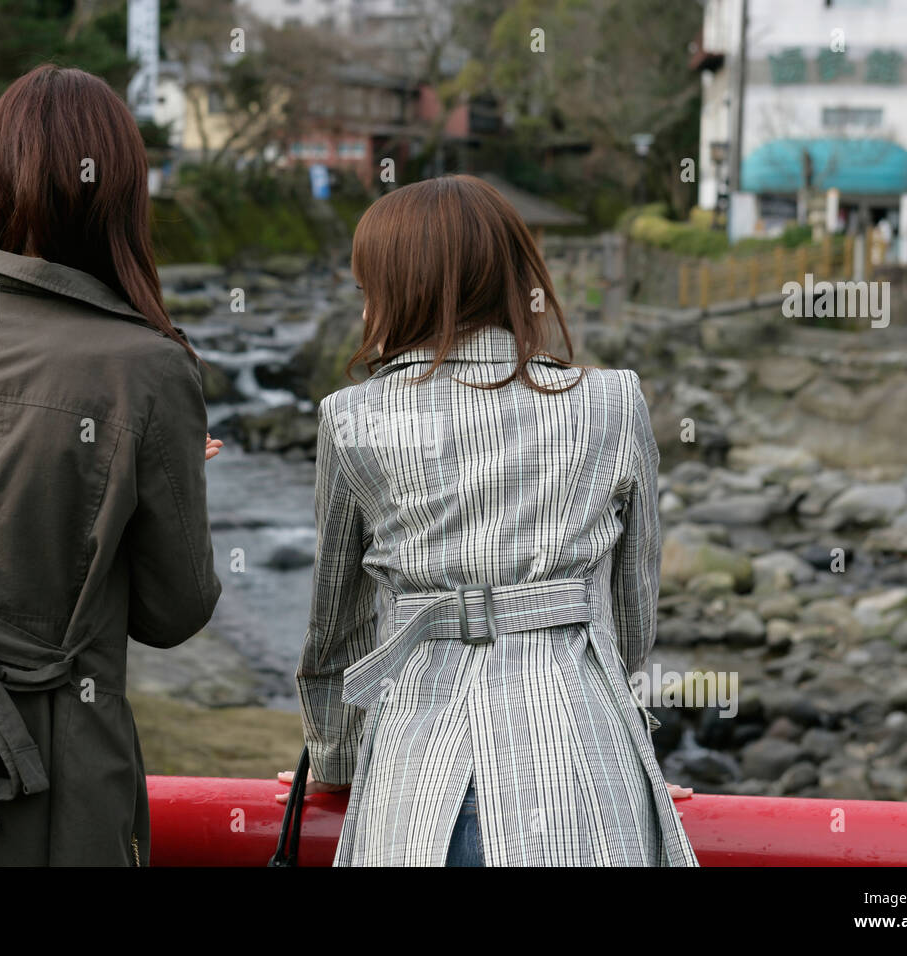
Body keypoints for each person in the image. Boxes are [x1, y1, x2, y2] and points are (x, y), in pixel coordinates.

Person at [277, 174, 697, 866]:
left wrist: (334, 758)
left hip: (416, 768)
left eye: (365, 291)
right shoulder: (614, 401)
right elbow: (631, 611)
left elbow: (337, 625)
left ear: (398, 292)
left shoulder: (351, 419)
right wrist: (633, 736)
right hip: (582, 760)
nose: (362, 311)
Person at [0, 64, 221, 865]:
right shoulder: (146, 366)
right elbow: (174, 615)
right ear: (122, 198)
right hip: (60, 782)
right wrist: (161, 481)